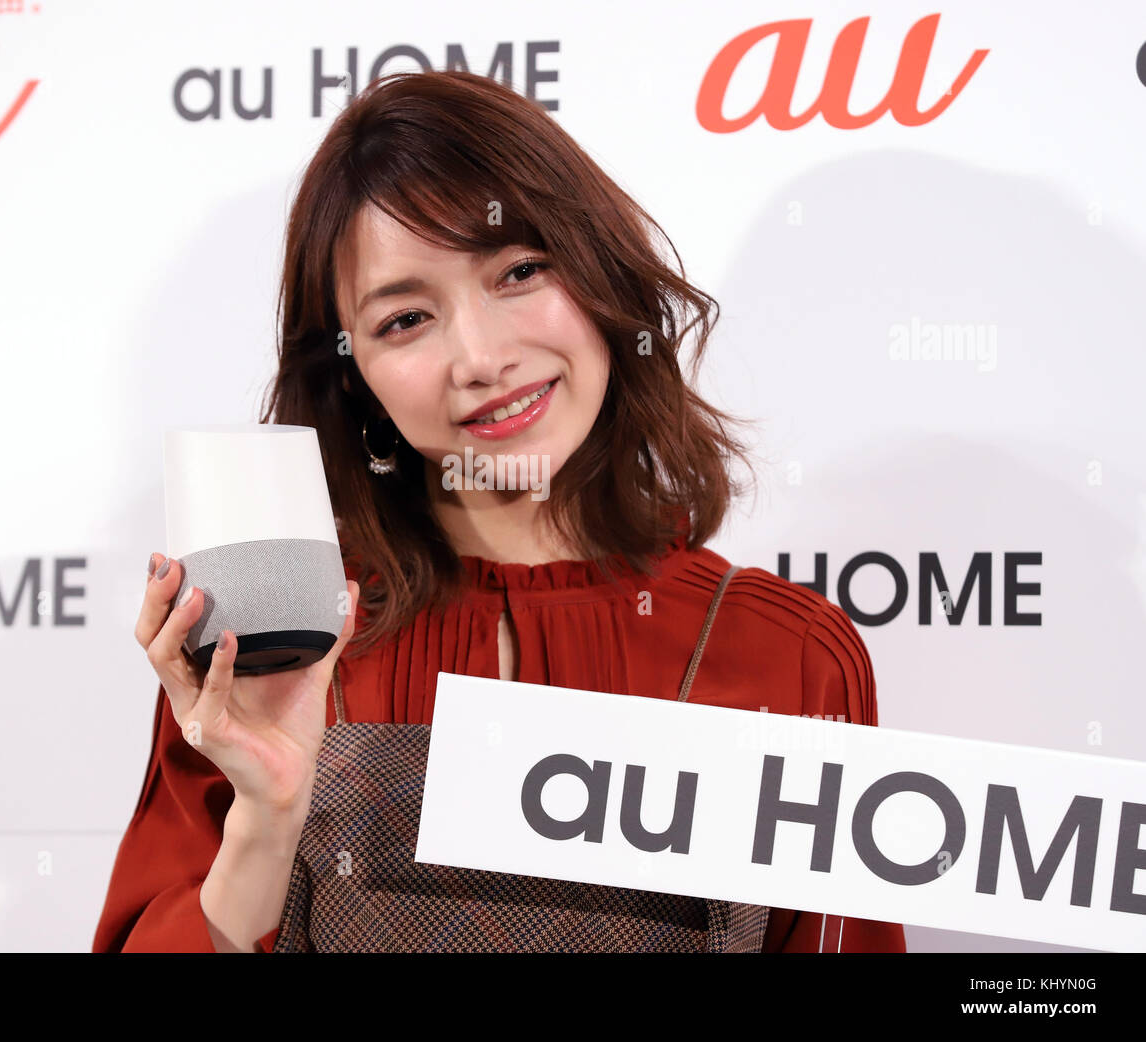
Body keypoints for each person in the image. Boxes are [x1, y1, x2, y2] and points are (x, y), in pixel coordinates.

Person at [92, 69, 906, 953]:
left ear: (602, 273)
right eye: (406, 320)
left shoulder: (789, 659)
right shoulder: (274, 649)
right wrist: (268, 816)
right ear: (352, 374)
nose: (481, 357)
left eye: (519, 271)